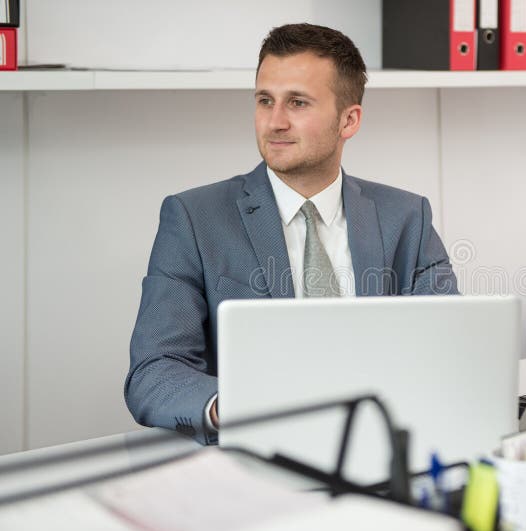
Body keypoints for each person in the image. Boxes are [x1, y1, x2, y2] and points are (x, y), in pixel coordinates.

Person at [125, 23, 459, 444]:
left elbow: (449, 347)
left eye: (297, 103)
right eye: (265, 100)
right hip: (258, 451)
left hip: (382, 442)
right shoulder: (194, 218)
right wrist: (236, 406)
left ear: (349, 120)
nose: (275, 122)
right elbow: (153, 371)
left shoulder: (407, 217)